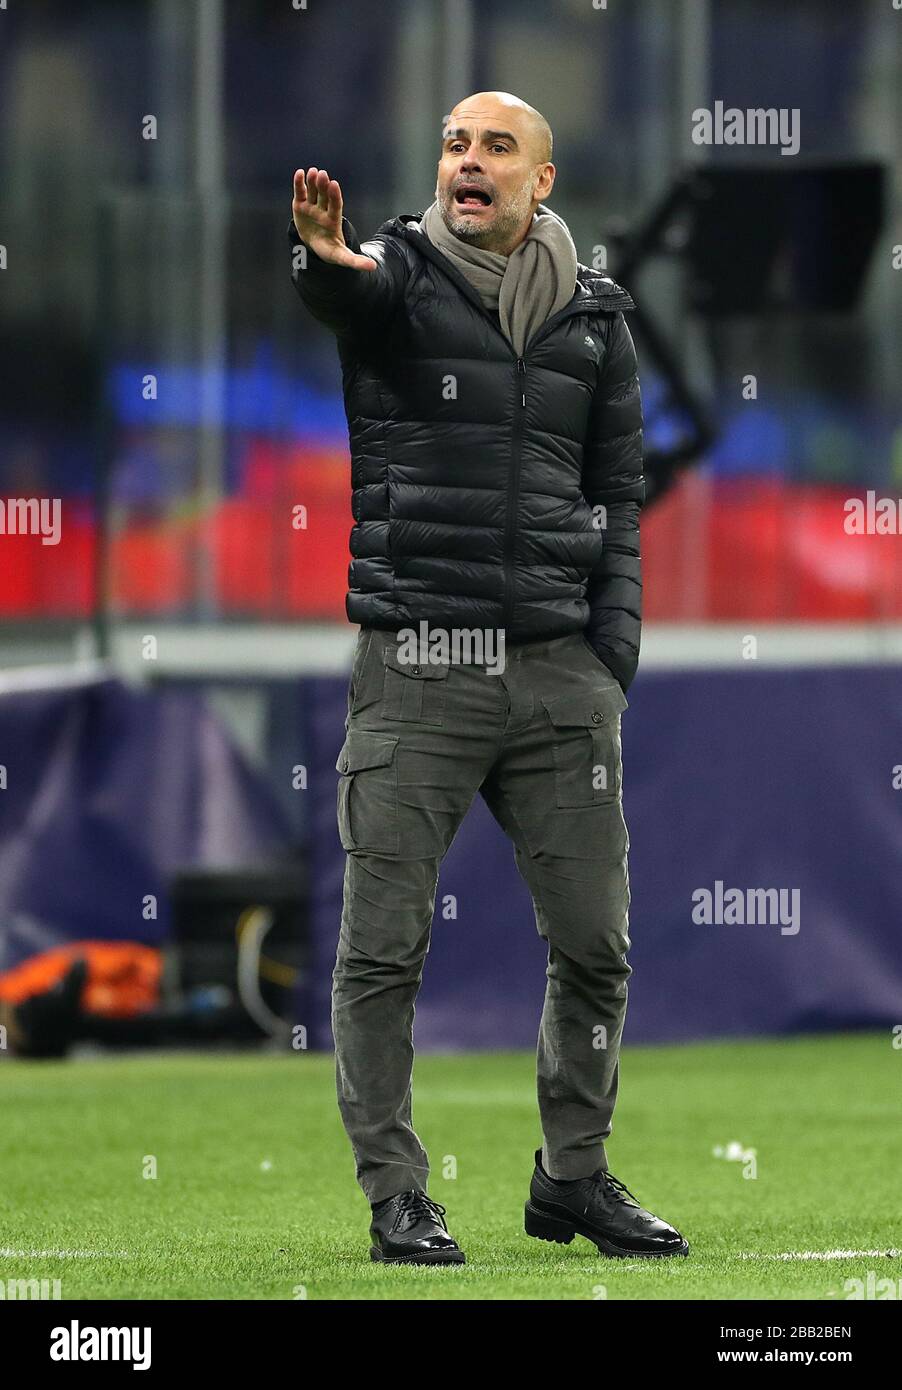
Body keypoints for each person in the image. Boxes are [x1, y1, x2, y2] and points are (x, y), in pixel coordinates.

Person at [289, 91, 688, 1265]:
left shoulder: (595, 319)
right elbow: (347, 292)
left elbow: (618, 501)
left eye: (494, 148)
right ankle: (397, 1198)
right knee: (382, 946)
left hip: (561, 672)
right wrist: (319, 262)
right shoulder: (400, 280)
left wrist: (608, 656)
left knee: (595, 945)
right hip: (419, 662)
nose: (469, 162)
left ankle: (571, 1179)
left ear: (540, 181)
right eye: (455, 145)